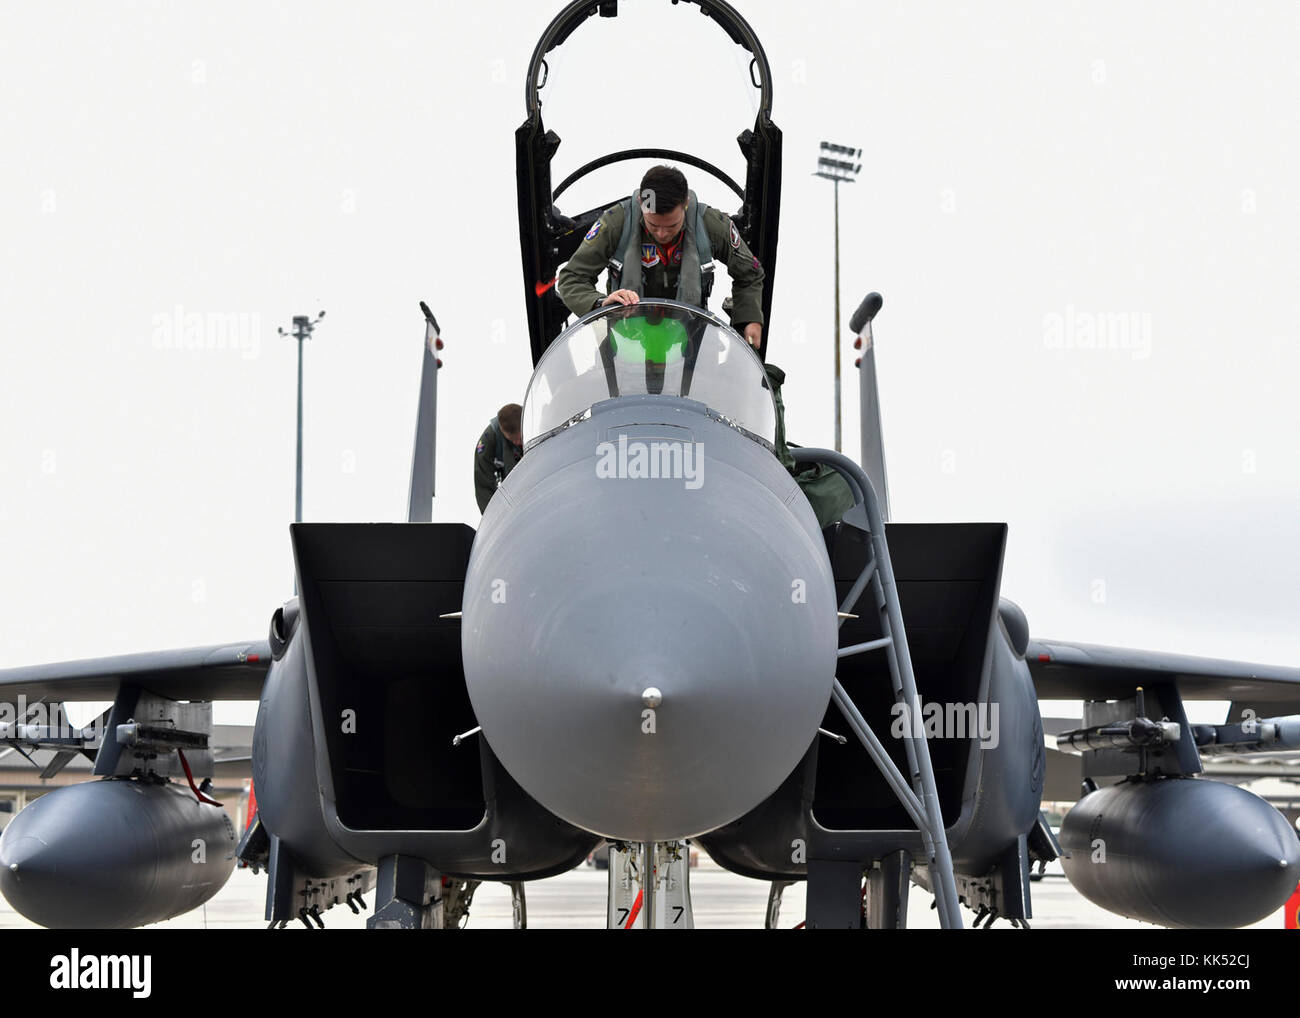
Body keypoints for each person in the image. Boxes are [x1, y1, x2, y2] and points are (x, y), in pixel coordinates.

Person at [557, 165, 766, 349]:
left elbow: (750, 274)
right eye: (653, 225)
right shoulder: (614, 224)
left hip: (690, 347)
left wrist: (750, 319)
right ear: (640, 202)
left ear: (686, 204)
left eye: (672, 225)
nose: (662, 234)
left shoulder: (710, 225)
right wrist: (600, 304)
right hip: (626, 345)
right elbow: (571, 278)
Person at [474, 403, 524, 513]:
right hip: (509, 496)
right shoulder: (488, 443)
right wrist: (492, 516)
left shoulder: (536, 424)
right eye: (513, 440)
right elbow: (483, 487)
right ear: (502, 431)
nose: (518, 443)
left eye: (521, 438)